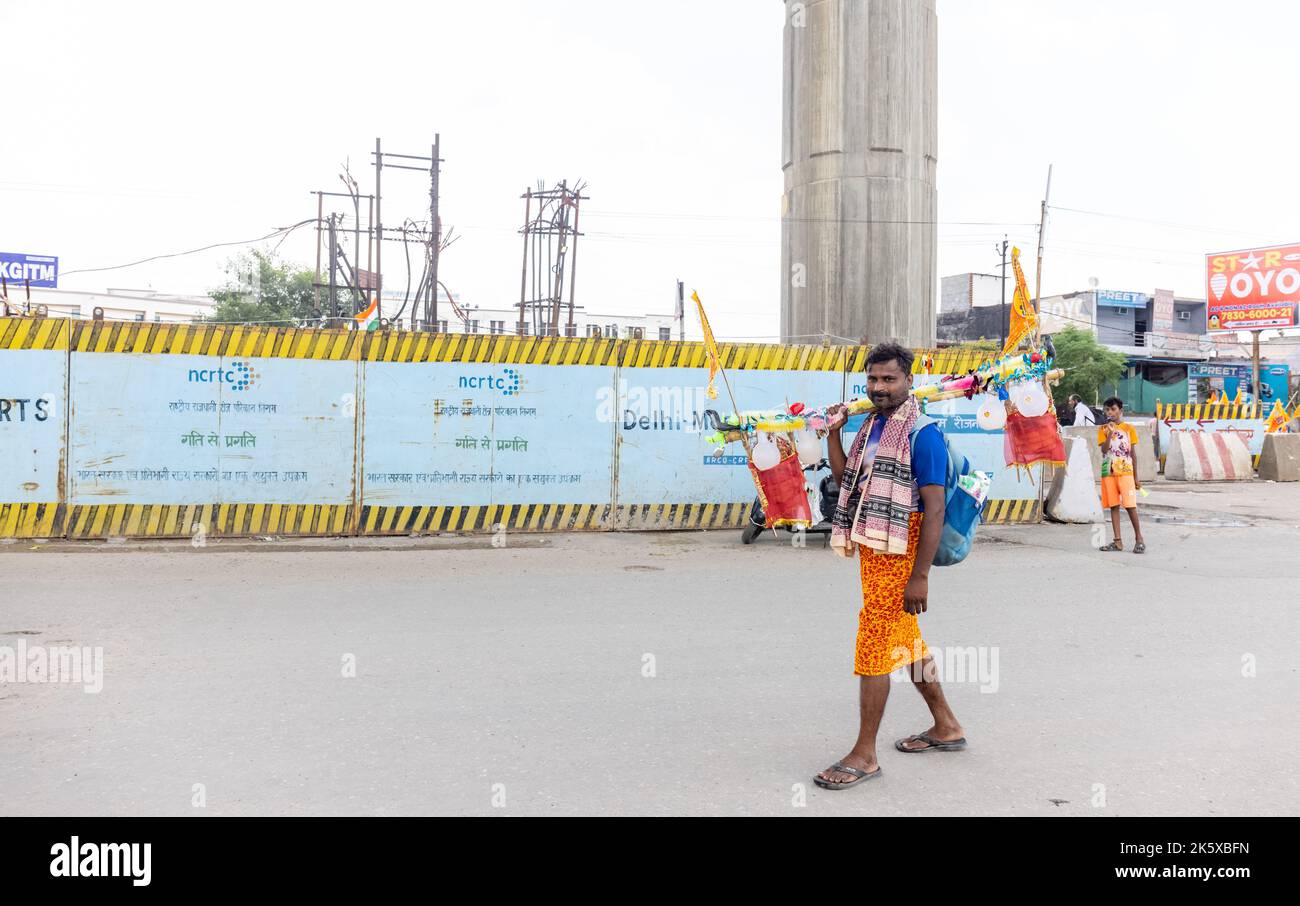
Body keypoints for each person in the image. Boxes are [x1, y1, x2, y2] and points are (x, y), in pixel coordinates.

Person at [813, 343, 966, 791]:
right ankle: (947, 725)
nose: (879, 387)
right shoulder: (871, 427)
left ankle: (864, 753)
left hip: (903, 553)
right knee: (905, 641)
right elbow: (847, 484)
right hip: (873, 551)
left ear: (908, 382)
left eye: (889, 379)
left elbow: (934, 509)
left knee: (876, 642)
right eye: (873, 379)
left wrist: (920, 577)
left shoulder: (924, 433)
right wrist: (834, 434)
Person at [1097, 396, 1146, 554]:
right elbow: (1104, 450)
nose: (1110, 412)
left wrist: (1136, 477)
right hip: (1108, 472)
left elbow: (1133, 453)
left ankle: (1139, 539)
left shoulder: (1129, 428)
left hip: (1125, 472)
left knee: (1130, 505)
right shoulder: (1103, 429)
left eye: (1113, 409)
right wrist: (1110, 434)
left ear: (1120, 411)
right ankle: (1117, 541)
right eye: (1107, 409)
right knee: (1113, 506)